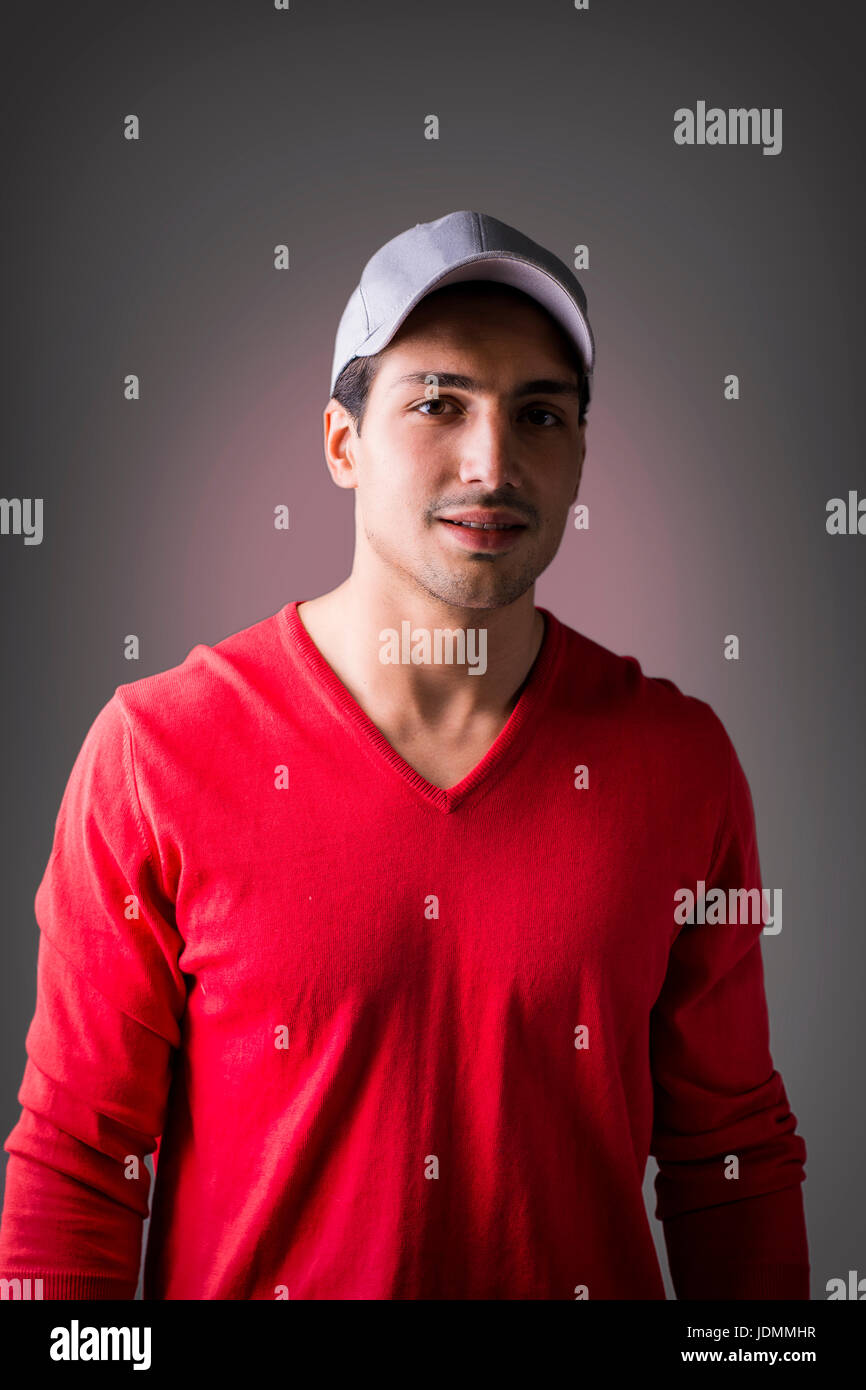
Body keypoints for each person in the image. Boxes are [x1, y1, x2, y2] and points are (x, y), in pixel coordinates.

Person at [0, 210, 808, 1300]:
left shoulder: (679, 761)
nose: (491, 460)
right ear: (341, 443)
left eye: (538, 414)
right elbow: (82, 1165)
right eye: (438, 403)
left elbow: (730, 1158)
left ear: (577, 453)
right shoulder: (154, 754)